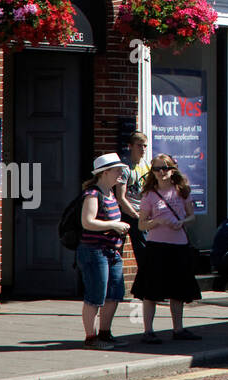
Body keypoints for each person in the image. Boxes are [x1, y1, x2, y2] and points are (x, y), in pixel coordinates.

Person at [133, 154, 202, 343]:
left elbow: (191, 216)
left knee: (178, 291)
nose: (161, 172)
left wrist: (181, 222)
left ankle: (178, 329)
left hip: (179, 246)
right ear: (152, 172)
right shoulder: (148, 195)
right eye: (156, 169)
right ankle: (148, 331)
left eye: (164, 168)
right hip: (156, 247)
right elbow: (141, 225)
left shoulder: (182, 191)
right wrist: (157, 221)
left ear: (172, 169)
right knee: (150, 291)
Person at [78, 153, 130, 349]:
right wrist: (114, 225)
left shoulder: (111, 194)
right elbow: (87, 222)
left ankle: (105, 333)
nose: (120, 173)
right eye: (117, 170)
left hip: (112, 251)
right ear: (105, 172)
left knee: (115, 293)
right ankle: (91, 338)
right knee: (95, 295)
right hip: (94, 251)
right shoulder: (93, 194)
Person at [114, 131, 151, 268]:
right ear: (130, 146)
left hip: (142, 212)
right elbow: (120, 197)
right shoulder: (124, 167)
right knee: (117, 250)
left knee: (144, 252)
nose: (143, 149)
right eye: (139, 145)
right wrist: (135, 215)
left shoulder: (147, 166)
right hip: (126, 213)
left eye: (145, 146)